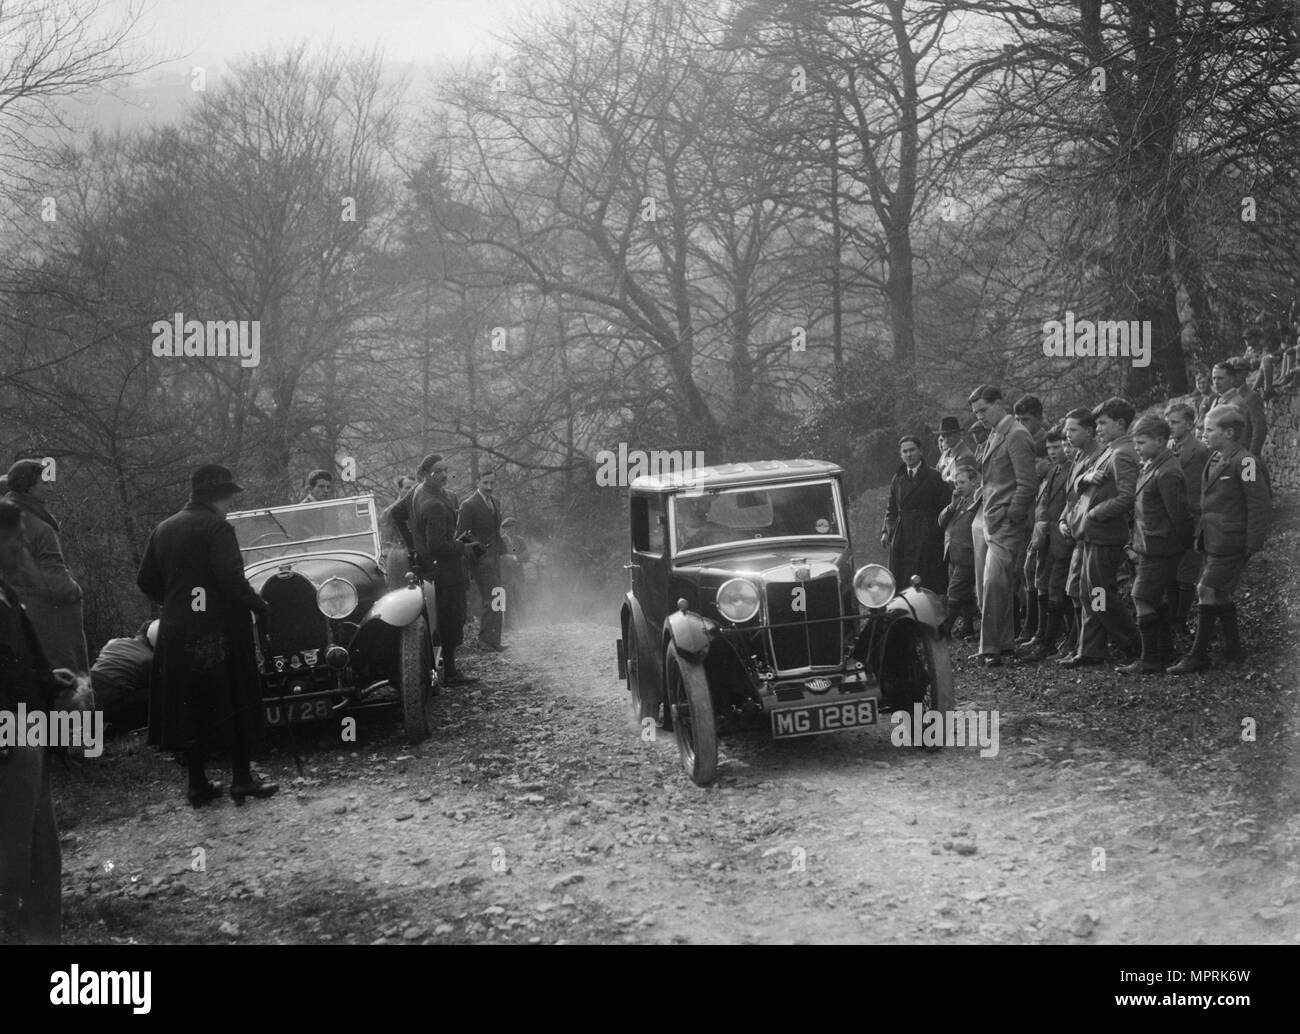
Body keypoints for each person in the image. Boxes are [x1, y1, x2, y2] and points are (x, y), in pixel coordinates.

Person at [136, 464, 278, 806]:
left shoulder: (164, 528)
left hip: (175, 630)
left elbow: (145, 580)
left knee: (190, 706)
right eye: (229, 495)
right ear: (218, 495)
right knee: (235, 698)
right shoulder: (217, 528)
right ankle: (242, 780)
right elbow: (230, 579)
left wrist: (176, 603)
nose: (231, 501)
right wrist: (260, 606)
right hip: (220, 630)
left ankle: (197, 785)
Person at [0, 499, 87, 944]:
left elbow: (14, 664)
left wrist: (45, 679)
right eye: (15, 538)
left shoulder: (7, 593)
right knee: (13, 862)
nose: (21, 546)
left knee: (42, 852)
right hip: (9, 742)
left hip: (29, 732)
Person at [1167, 406, 1273, 674]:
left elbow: (1258, 504)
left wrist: (1252, 543)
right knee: (1220, 592)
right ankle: (1234, 649)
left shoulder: (1245, 461)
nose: (1203, 433)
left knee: (1205, 589)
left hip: (1232, 540)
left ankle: (1197, 655)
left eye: (1209, 429)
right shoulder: (1215, 456)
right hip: (1212, 537)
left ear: (1228, 433)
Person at [1062, 397, 1140, 667]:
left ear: (1120, 423)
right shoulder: (1110, 450)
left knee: (1100, 594)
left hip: (1106, 534)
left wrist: (1095, 513)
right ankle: (1091, 650)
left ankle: (1135, 643)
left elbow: (1128, 497)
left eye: (1103, 423)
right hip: (1092, 533)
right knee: (1088, 593)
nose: (1099, 428)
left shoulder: (1123, 453)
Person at [967, 385, 1036, 666]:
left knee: (994, 582)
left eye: (984, 410)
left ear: (1000, 404)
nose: (980, 417)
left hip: (1005, 522)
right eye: (976, 412)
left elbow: (1028, 483)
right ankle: (1002, 645)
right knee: (998, 585)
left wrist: (1012, 515)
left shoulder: (1017, 435)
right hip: (990, 518)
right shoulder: (996, 433)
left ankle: (990, 648)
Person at [1118, 415, 1193, 675]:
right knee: (1153, 598)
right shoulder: (1151, 465)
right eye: (1135, 442)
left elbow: (1179, 515)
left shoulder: (1168, 471)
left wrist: (1181, 544)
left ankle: (1149, 659)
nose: (1137, 447)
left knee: (1140, 597)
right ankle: (1163, 650)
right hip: (1148, 544)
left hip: (1160, 547)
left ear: (1161, 441)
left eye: (1141, 442)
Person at [2, 460, 88, 673]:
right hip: (45, 616)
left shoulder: (6, 518)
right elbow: (56, 579)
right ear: (29, 486)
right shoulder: (41, 527)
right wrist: (75, 591)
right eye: (45, 483)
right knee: (66, 678)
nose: (50, 487)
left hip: (12, 611)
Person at [407, 454, 479, 686]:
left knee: (447, 619)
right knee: (451, 620)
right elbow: (437, 545)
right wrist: (463, 546)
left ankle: (447, 670)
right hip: (446, 572)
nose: (444, 475)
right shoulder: (433, 503)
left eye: (446, 470)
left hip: (434, 569)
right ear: (426, 473)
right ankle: (450, 672)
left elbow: (397, 514)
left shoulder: (419, 491)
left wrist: (414, 547)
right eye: (438, 471)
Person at [1019, 426, 1071, 661]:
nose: (1052, 452)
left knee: (1081, 592)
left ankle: (1062, 639)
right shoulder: (1053, 472)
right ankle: (1044, 636)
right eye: (1049, 448)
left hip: (1063, 539)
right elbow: (1043, 504)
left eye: (1057, 447)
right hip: (1046, 539)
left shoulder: (1071, 470)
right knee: (1043, 583)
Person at [880, 435, 952, 594]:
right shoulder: (898, 478)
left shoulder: (934, 476)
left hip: (926, 537)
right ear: (901, 455)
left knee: (925, 580)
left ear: (921, 451)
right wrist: (888, 531)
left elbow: (945, 508)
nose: (909, 454)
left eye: (912, 450)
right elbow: (891, 508)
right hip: (902, 536)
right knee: (901, 580)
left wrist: (933, 531)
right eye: (904, 451)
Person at [1058, 407, 1102, 660]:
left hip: (1093, 533)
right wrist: (1064, 519)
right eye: (1067, 430)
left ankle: (1099, 645)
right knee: (1076, 590)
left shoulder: (1098, 456)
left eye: (1073, 430)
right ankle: (1080, 644)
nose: (1068, 435)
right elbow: (1072, 497)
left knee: (1097, 595)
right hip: (1077, 531)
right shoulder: (1078, 456)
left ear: (1089, 430)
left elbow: (1092, 497)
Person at [1165, 401, 1211, 632]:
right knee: (1171, 569)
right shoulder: (1166, 446)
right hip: (1172, 516)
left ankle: (1180, 620)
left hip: (1194, 515)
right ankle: (1173, 616)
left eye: (1175, 422)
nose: (1170, 426)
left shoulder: (1201, 450)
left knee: (1187, 571)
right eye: (1168, 422)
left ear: (1190, 424)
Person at [457, 469, 509, 651]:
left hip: (495, 558)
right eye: (485, 483)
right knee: (491, 597)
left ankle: (495, 639)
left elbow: (496, 532)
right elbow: (462, 535)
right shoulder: (468, 505)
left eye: (492, 483)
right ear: (478, 482)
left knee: (499, 596)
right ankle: (485, 640)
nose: (489, 487)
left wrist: (503, 552)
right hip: (480, 560)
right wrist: (480, 553)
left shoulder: (495, 502)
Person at [937, 463, 980, 639]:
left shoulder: (977, 501)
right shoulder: (958, 501)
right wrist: (952, 506)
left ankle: (944, 630)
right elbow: (941, 522)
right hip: (953, 553)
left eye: (962, 482)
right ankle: (968, 626)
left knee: (954, 593)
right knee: (965, 594)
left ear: (974, 482)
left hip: (967, 554)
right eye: (956, 483)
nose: (958, 486)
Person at [89, 619, 156, 722]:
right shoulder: (149, 658)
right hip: (112, 694)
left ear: (139, 632)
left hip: (90, 684)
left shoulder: (114, 641)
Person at [1220, 358, 1268, 456]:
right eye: (1231, 373)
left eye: (1238, 372)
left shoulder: (1251, 397)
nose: (1235, 376)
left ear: (1246, 373)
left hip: (1244, 454)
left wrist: (1251, 456)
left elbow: (1259, 429)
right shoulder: (1224, 397)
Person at [381, 475, 417, 590]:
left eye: (414, 488)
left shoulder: (417, 509)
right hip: (399, 559)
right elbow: (386, 543)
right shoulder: (389, 513)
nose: (410, 491)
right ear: (399, 489)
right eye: (407, 488)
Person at [498, 517, 529, 630]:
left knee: (520, 601)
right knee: (506, 603)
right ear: (504, 529)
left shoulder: (520, 540)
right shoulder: (500, 541)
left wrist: (514, 558)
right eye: (508, 528)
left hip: (518, 576)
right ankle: (507, 627)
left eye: (513, 528)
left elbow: (526, 556)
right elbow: (500, 558)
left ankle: (524, 625)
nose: (511, 530)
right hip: (506, 576)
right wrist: (512, 559)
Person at [935, 417, 974, 484]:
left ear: (958, 434)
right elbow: (937, 472)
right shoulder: (946, 453)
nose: (946, 440)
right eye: (944, 436)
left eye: (949, 435)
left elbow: (957, 484)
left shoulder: (965, 456)